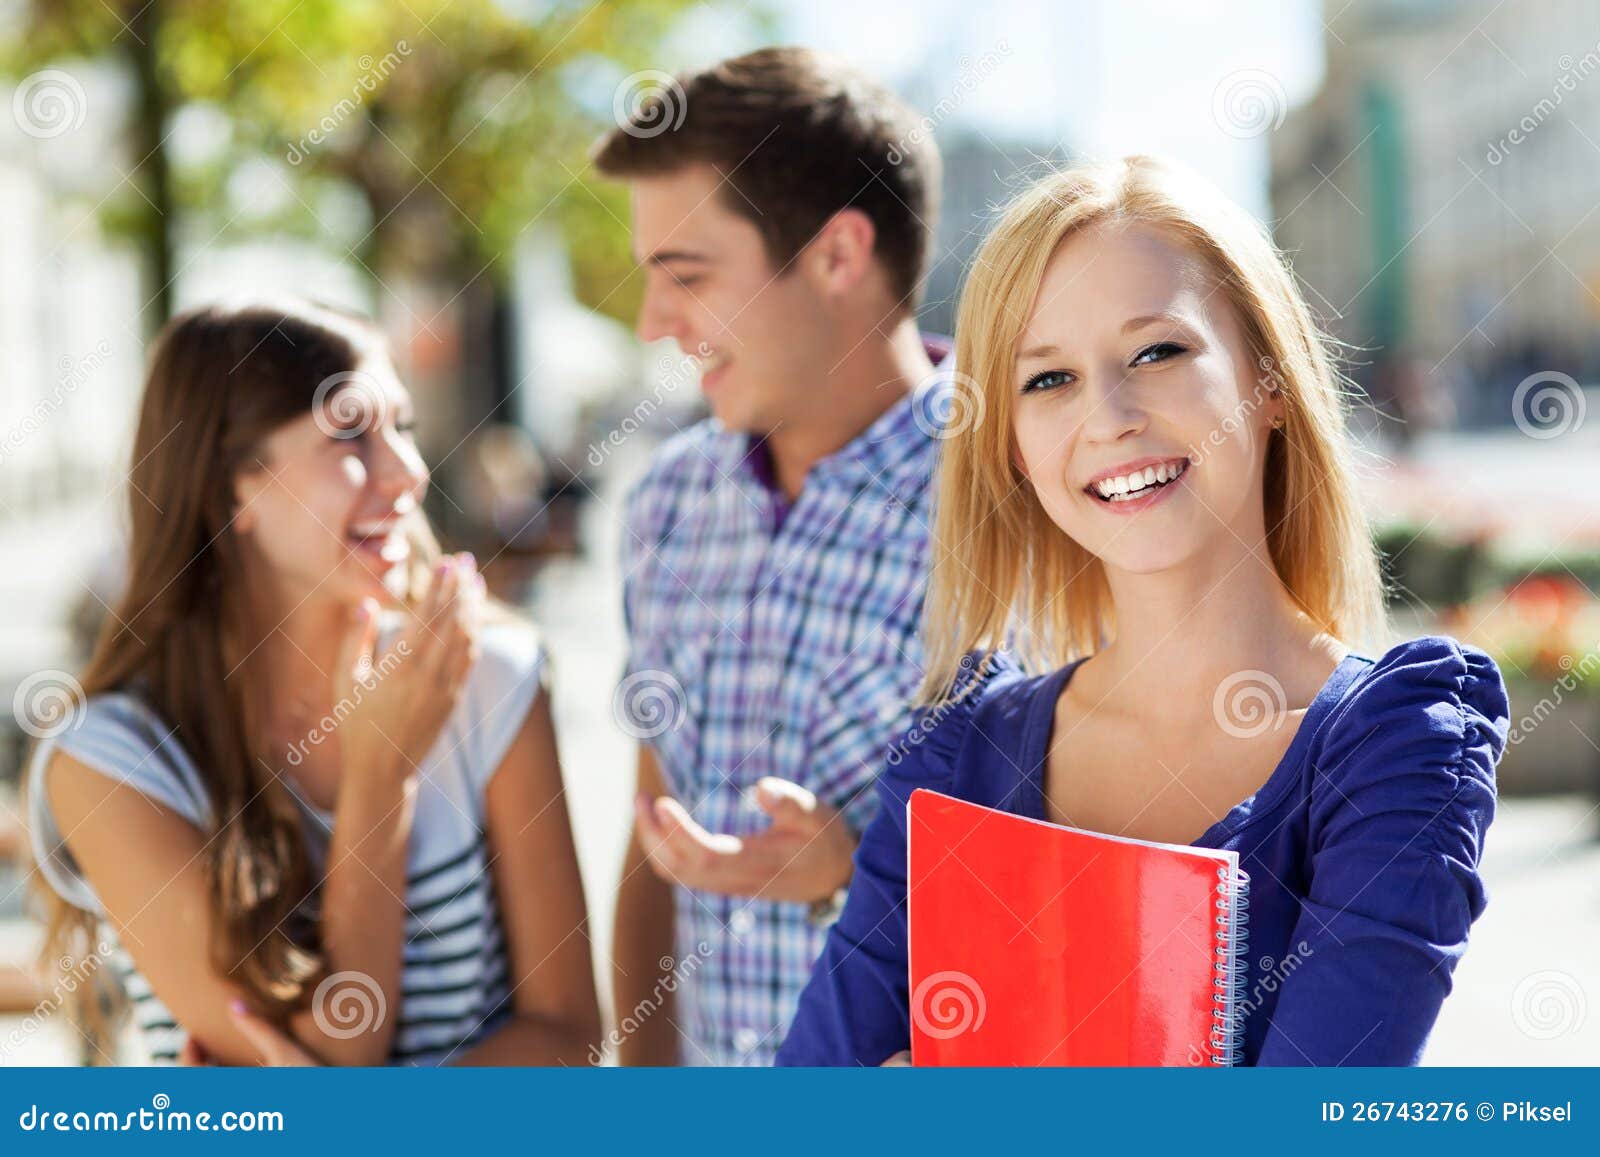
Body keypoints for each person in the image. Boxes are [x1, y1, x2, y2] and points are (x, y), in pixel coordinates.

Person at [776, 156, 1508, 1067]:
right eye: (1047, 380)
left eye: (1157, 351)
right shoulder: (955, 758)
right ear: (1009, 446)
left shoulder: (1398, 743)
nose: (1109, 416)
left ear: (1270, 379)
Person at [27, 301, 599, 1066]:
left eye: (404, 427)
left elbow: (568, 1035)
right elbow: (336, 1052)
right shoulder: (107, 765)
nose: (410, 471)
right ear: (230, 489)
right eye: (352, 432)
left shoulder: (491, 678)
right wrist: (379, 775)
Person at [591, 46, 950, 1065]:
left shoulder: (1019, 503)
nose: (654, 322)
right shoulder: (668, 503)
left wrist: (855, 883)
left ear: (838, 254)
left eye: (688, 278)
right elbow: (650, 842)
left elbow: (1096, 875)